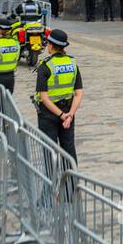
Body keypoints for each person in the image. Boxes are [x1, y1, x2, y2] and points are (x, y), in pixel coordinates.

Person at [35, 28, 82, 160]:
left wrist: (62, 115)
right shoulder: (72, 63)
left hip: (48, 114)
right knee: (68, 148)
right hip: (68, 111)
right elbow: (78, 93)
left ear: (50, 45)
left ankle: (51, 180)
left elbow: (44, 97)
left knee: (49, 150)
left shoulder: (45, 66)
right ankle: (71, 180)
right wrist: (70, 115)